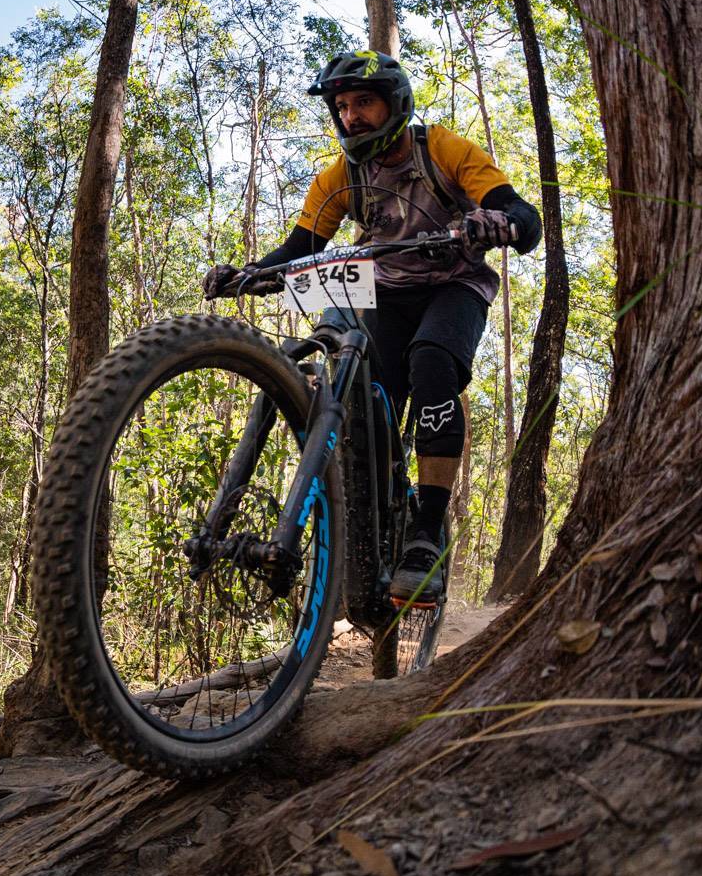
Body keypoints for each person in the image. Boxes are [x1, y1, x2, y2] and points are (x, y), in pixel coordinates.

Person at [203, 49, 541, 603]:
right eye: (342, 106)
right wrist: (253, 273)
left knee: (431, 363)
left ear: (395, 103)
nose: (352, 115)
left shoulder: (445, 150)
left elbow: (521, 215)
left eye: (364, 102)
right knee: (365, 395)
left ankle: (427, 533)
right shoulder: (341, 175)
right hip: (381, 289)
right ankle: (368, 526)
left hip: (452, 285)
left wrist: (496, 222)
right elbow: (303, 246)